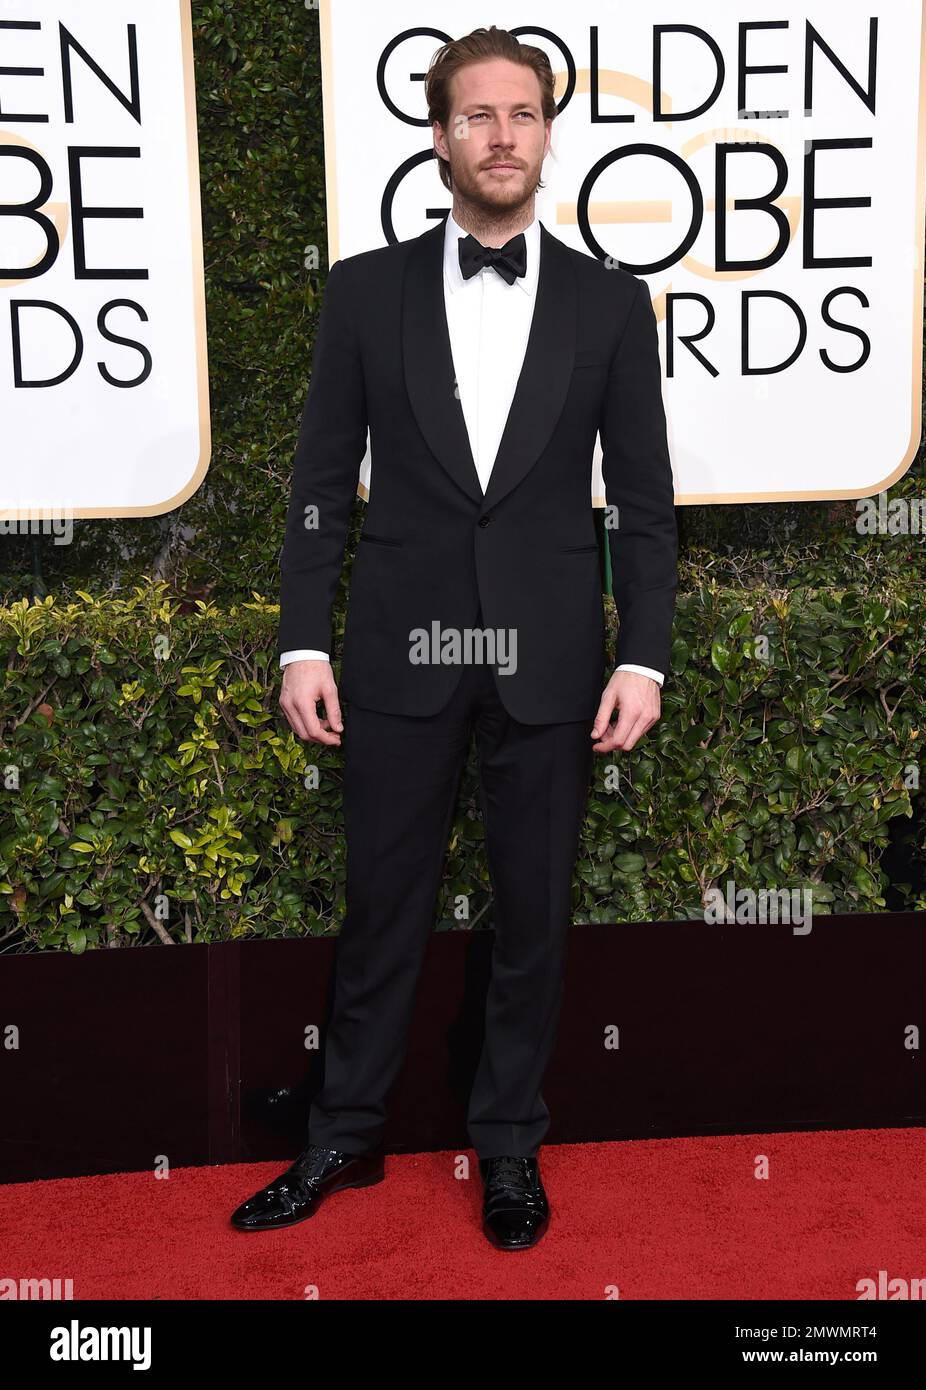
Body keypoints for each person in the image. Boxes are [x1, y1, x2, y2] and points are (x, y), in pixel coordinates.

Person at [231, 25, 677, 1251]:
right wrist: (300, 643)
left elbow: (644, 500)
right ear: (439, 138)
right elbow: (321, 480)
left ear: (546, 134)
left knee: (532, 919)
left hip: (549, 664)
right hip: (396, 649)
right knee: (384, 907)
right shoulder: (363, 293)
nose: (500, 136)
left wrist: (642, 654)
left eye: (522, 114)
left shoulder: (609, 303)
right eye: (476, 115)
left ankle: (510, 1149)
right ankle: (342, 1134)